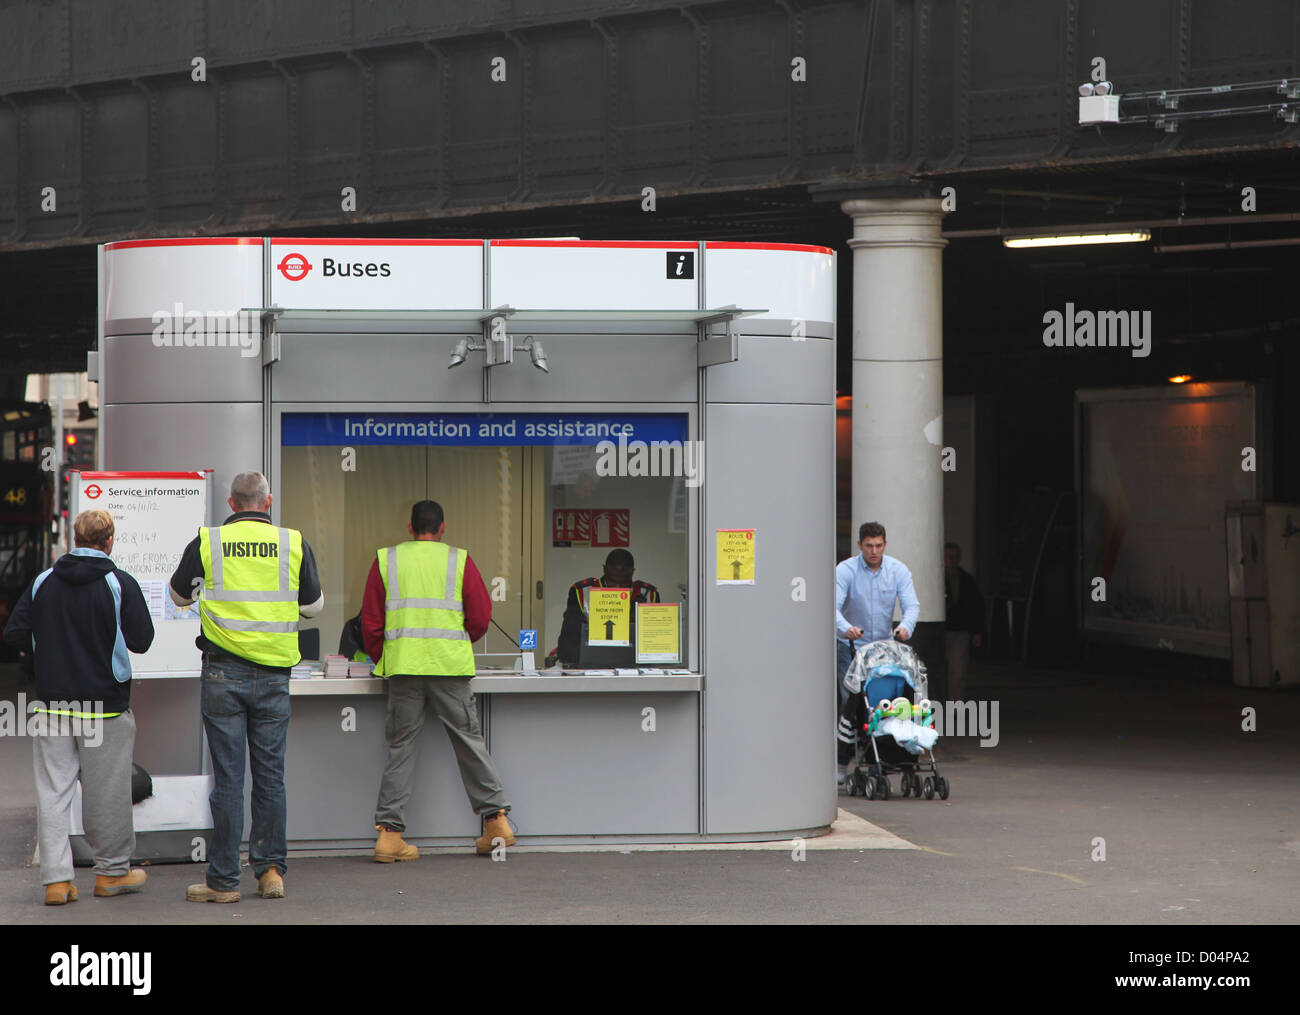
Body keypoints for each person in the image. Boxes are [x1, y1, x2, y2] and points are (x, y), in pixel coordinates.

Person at [169, 471, 324, 903]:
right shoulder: (293, 542)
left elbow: (180, 597)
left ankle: (222, 881)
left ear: (233, 504)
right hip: (274, 676)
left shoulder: (209, 541)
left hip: (223, 674)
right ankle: (271, 871)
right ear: (267, 501)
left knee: (229, 780)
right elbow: (313, 607)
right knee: (271, 777)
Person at [4, 509, 155, 905]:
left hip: (53, 705)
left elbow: (15, 632)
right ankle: (111, 874)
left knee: (54, 792)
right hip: (104, 709)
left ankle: (56, 881)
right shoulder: (119, 583)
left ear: (74, 538)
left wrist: (49, 648)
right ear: (109, 541)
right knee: (107, 792)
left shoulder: (43, 582)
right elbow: (142, 640)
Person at [363, 499, 514, 860]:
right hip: (449, 668)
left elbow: (370, 622)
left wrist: (384, 655)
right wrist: (457, 642)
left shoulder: (387, 559)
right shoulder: (458, 560)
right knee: (469, 742)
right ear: (442, 527)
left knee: (401, 749)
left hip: (403, 669)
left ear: (410, 527)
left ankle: (389, 836)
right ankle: (496, 824)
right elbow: (480, 616)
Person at [835, 521, 920, 713]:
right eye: (869, 546)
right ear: (859, 545)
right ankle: (850, 741)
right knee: (850, 698)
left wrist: (906, 627)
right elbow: (833, 608)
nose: (874, 551)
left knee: (885, 700)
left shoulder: (898, 570)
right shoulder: (845, 570)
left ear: (885, 544)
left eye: (878, 546)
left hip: (884, 646)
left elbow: (912, 605)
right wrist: (846, 628)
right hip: (850, 646)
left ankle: (879, 740)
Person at [548, 548, 659, 668]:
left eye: (623, 584)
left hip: (634, 665)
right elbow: (569, 641)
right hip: (590, 664)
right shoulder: (582, 592)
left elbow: (654, 640)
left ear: (632, 572)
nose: (617, 588)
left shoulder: (648, 593)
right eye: (612, 582)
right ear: (604, 569)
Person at [944, 541, 985, 702]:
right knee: (941, 670)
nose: (951, 560)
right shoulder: (936, 580)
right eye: (947, 556)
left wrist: (977, 631)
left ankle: (955, 704)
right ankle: (940, 702)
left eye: (954, 557)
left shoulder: (967, 580)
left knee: (958, 671)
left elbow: (977, 607)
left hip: (960, 631)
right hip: (943, 630)